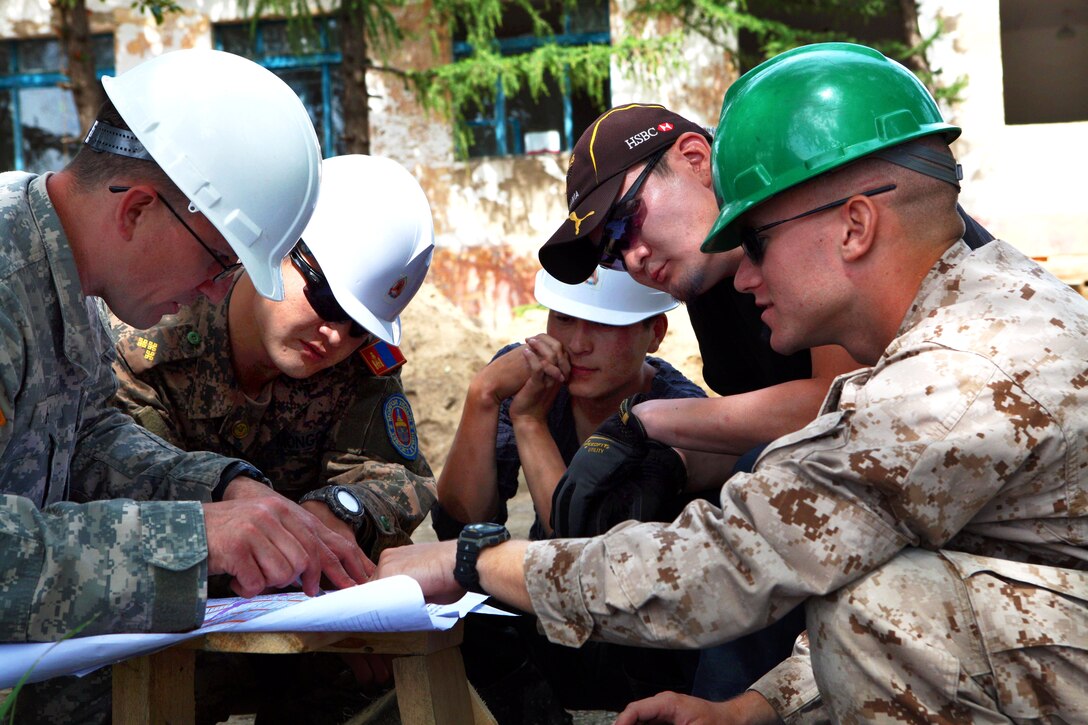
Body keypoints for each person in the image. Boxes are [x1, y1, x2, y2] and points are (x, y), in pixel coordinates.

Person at [376, 42, 1088, 723]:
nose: (744, 277)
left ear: (855, 227)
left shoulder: (955, 376)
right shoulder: (968, 312)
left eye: (756, 242)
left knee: (876, 599)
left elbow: (733, 564)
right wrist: (755, 707)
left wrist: (474, 561)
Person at [536, 101, 995, 698]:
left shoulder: (801, 223)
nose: (630, 257)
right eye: (608, 250)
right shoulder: (708, 274)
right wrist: (671, 461)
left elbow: (833, 407)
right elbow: (761, 428)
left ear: (696, 159)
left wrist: (646, 422)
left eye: (625, 222)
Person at [0, 50, 371, 639]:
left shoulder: (69, 276)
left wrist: (224, 487)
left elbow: (87, 435)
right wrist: (190, 538)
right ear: (139, 210)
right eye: (221, 260)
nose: (215, 287)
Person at [98, 154, 436, 722]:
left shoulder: (355, 364)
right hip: (166, 610)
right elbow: (119, 498)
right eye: (327, 302)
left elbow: (397, 477)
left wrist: (333, 512)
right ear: (276, 248)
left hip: (300, 611)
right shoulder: (148, 341)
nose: (336, 335)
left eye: (361, 327)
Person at [432, 267, 714, 720]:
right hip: (551, 616)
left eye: (604, 325)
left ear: (655, 333)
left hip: (644, 632)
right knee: (458, 594)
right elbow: (461, 522)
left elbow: (589, 543)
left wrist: (530, 423)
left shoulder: (675, 411)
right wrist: (482, 395)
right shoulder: (533, 379)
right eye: (563, 318)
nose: (578, 344)